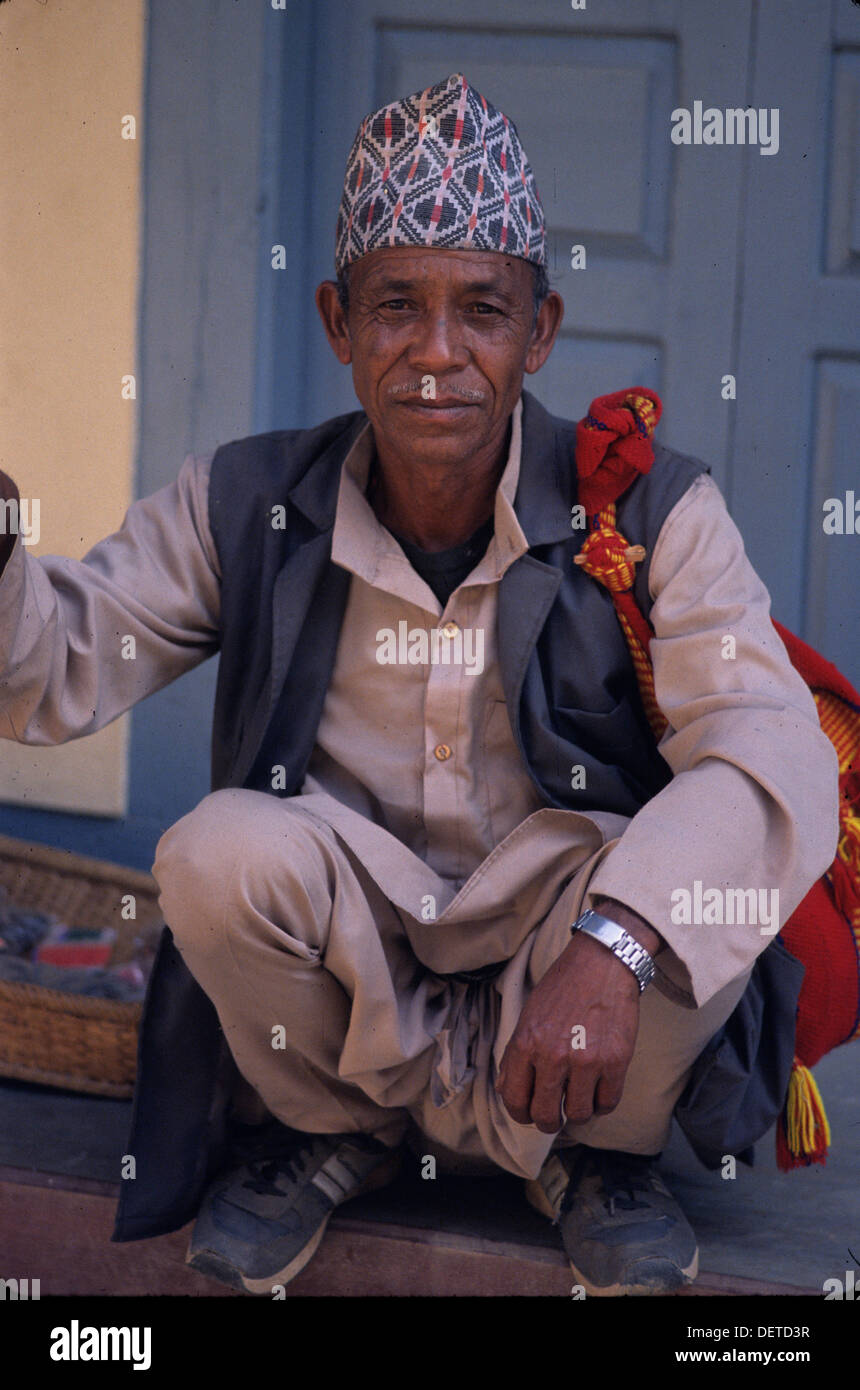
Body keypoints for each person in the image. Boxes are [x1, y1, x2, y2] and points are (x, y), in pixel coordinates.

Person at [0, 72, 838, 1298]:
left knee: (676, 878)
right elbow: (58, 665)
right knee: (215, 851)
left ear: (537, 333)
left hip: (573, 975)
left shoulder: (654, 507)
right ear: (339, 324)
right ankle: (331, 1130)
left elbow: (773, 749)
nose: (437, 354)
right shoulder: (244, 501)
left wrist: (615, 943)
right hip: (355, 983)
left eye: (480, 312)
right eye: (396, 305)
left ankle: (595, 1160)